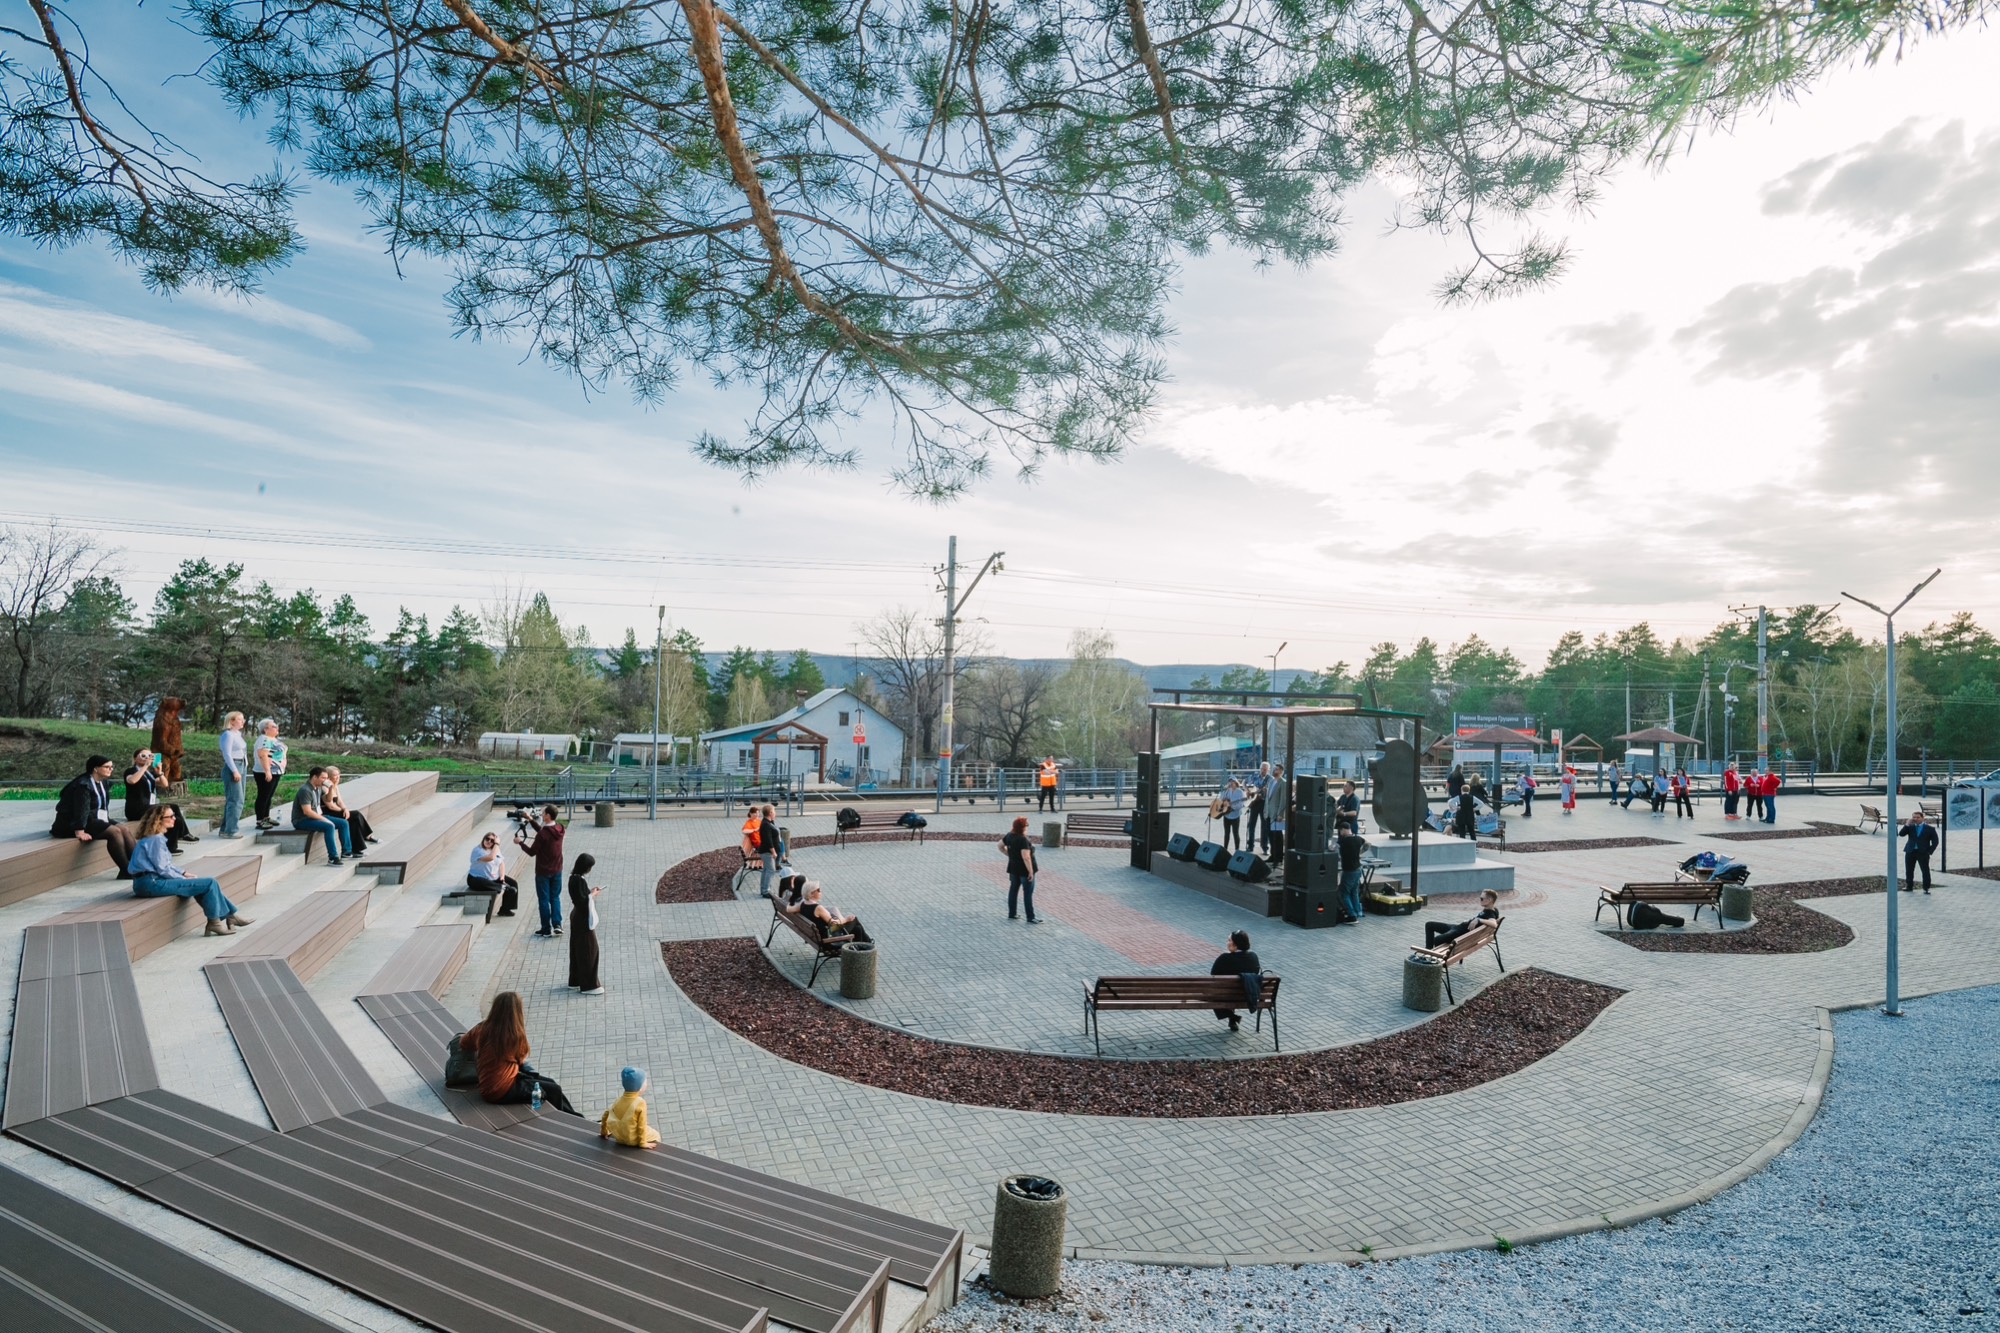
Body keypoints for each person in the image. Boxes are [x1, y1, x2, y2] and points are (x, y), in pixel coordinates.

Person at [129, 807, 251, 936]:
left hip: (150, 881)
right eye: (170, 816)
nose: (174, 818)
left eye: (174, 815)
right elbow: (163, 869)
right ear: (158, 820)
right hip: (151, 883)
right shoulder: (156, 840)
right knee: (209, 883)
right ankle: (218, 922)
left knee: (204, 885)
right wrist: (182, 879)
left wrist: (182, 872)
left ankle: (228, 918)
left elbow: (165, 865)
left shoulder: (154, 838)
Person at [461, 991, 579, 1114]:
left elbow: (463, 1043)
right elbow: (521, 1059)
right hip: (502, 1090)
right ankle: (574, 1119)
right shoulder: (513, 1036)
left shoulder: (481, 1028)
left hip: (488, 1085)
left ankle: (575, 1117)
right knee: (553, 1089)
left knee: (551, 1085)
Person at [50, 756, 136, 875]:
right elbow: (81, 809)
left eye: (112, 767)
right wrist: (79, 830)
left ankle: (138, 866)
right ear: (95, 769)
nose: (110, 769)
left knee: (124, 829)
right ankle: (125, 870)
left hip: (95, 818)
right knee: (114, 832)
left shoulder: (103, 782)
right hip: (72, 823)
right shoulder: (83, 785)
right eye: (107, 767)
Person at [123, 748, 194, 850]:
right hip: (136, 809)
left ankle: (183, 834)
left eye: (150, 756)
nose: (147, 758)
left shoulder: (148, 774)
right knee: (173, 818)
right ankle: (171, 847)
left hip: (148, 806)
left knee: (173, 808)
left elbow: (164, 784)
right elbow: (132, 780)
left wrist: (160, 772)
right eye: (143, 756)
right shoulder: (130, 771)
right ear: (135, 759)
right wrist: (146, 766)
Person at [517, 805, 568, 937]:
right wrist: (530, 819)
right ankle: (557, 925)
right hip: (557, 870)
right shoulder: (560, 828)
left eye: (543, 813)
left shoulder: (542, 834)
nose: (542, 815)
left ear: (548, 816)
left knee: (544, 900)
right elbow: (543, 833)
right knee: (555, 898)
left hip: (543, 872)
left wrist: (520, 843)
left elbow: (532, 852)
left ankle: (546, 928)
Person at [291, 766, 351, 865]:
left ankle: (346, 852)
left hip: (315, 817)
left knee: (343, 823)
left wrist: (331, 788)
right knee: (329, 826)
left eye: (326, 778)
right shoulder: (305, 790)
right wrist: (324, 819)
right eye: (323, 778)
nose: (325, 780)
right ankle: (333, 857)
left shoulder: (318, 788)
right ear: (314, 777)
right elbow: (307, 811)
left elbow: (328, 799)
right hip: (302, 820)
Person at [1208, 929, 1261, 1031]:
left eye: (1229, 940)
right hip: (1246, 994)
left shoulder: (1224, 958)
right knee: (1231, 989)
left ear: (1236, 945)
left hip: (1226, 995)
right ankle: (1232, 1019)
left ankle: (1233, 1017)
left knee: (1213, 993)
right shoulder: (1253, 957)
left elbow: (1213, 974)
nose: (1227, 943)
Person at [599, 1066, 661, 1148]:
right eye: (645, 1082)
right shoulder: (640, 1103)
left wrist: (604, 1132)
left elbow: (605, 1115)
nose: (647, 1084)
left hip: (619, 1137)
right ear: (640, 1087)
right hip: (632, 1139)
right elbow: (641, 1126)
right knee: (656, 1134)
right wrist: (643, 1143)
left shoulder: (618, 1100)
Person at [568, 852, 604, 991]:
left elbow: (580, 896)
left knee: (577, 949)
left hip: (577, 916)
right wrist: (592, 894)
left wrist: (590, 892)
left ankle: (575, 979)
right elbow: (583, 901)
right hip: (582, 919)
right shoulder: (578, 880)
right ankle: (589, 985)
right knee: (589, 950)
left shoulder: (574, 878)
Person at [319, 768, 378, 849]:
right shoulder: (324, 788)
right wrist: (343, 811)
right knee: (356, 814)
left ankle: (357, 849)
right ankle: (367, 835)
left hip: (336, 811)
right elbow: (331, 806)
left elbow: (339, 801)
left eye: (338, 775)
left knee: (353, 821)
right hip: (328, 812)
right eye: (335, 775)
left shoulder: (335, 787)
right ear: (328, 777)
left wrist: (345, 809)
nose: (338, 777)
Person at [1424, 889, 1500, 949]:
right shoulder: (1493, 909)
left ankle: (1431, 955)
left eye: (1482, 898)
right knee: (1429, 925)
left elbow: (1494, 924)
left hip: (1459, 933)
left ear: (1489, 900)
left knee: (1437, 939)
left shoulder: (1490, 913)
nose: (1480, 900)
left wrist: (1479, 920)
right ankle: (1428, 951)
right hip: (1457, 927)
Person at [998, 816, 1041, 923]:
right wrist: (1030, 871)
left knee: (1013, 890)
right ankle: (1030, 917)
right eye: (1027, 825)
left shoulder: (1009, 836)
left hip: (1013, 868)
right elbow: (1026, 857)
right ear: (1022, 827)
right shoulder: (1023, 839)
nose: (1028, 827)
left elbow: (999, 846)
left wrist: (1009, 855)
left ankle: (1012, 913)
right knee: (1027, 893)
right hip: (1024, 871)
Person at [796, 882, 871, 942]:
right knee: (854, 920)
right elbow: (833, 923)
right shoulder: (818, 908)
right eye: (818, 890)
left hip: (817, 934)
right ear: (811, 894)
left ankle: (863, 947)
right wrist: (846, 919)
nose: (820, 891)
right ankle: (867, 944)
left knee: (858, 929)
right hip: (828, 935)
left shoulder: (803, 904)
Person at [467, 830, 519, 915]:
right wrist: (497, 844)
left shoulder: (495, 850)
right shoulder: (477, 850)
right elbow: (491, 857)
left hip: (493, 877)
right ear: (483, 839)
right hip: (476, 878)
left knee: (513, 883)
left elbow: (501, 863)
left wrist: (502, 877)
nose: (489, 842)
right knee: (484, 882)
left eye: (492, 841)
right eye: (487, 839)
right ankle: (503, 888)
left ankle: (505, 910)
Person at [218, 711, 249, 839]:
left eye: (243, 719)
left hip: (242, 765)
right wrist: (235, 770)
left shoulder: (238, 734)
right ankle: (231, 830)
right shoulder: (228, 735)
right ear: (232, 721)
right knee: (236, 799)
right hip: (234, 766)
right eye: (240, 719)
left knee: (236, 799)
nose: (243, 722)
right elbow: (227, 754)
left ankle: (226, 828)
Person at [251, 719, 287, 830]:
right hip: (265, 772)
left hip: (276, 772)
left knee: (269, 796)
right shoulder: (264, 739)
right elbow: (263, 755)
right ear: (265, 729)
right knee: (263, 795)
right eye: (274, 726)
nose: (277, 728)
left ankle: (266, 817)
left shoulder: (273, 739)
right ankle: (260, 820)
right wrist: (267, 771)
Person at [1900, 811, 1938, 894]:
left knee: (1925, 870)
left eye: (1917, 817)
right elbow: (1901, 834)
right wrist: (1906, 824)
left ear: (1922, 818)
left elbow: (1935, 841)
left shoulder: (1930, 829)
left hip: (1923, 852)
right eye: (1914, 817)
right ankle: (1909, 886)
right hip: (1910, 851)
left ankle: (1926, 887)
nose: (1915, 819)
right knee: (1909, 870)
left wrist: (1929, 851)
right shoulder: (1910, 827)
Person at [1336, 830, 1367, 924]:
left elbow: (1334, 849)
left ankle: (1351, 915)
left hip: (1349, 870)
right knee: (1354, 892)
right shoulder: (1358, 838)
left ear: (1343, 830)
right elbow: (1367, 844)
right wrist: (1360, 852)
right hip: (1358, 868)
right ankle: (1358, 912)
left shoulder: (1343, 841)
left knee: (1344, 893)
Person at [756, 803, 781, 898]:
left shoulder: (769, 822)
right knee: (771, 870)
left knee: (766, 870)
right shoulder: (766, 824)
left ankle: (763, 889)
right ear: (770, 812)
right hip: (767, 852)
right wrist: (774, 852)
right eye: (774, 811)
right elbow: (768, 840)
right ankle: (766, 891)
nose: (775, 813)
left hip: (767, 852)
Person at [1247, 761, 1271, 852]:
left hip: (1264, 803)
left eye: (1265, 769)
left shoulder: (1270, 779)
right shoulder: (1255, 776)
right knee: (1251, 825)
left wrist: (1266, 791)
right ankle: (1250, 846)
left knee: (1264, 826)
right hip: (1254, 802)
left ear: (1268, 770)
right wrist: (1247, 791)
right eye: (1262, 769)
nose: (1263, 771)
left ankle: (1265, 847)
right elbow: (1244, 781)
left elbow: (1270, 791)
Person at [1219, 778, 1247, 851]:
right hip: (1226, 815)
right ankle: (1225, 849)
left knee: (1235, 833)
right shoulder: (1227, 791)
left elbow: (1242, 804)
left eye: (1232, 782)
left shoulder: (1240, 792)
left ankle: (1237, 849)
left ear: (1236, 783)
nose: (1231, 784)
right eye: (1230, 782)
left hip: (1235, 815)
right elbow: (1221, 799)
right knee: (1226, 833)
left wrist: (1232, 807)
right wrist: (1224, 791)